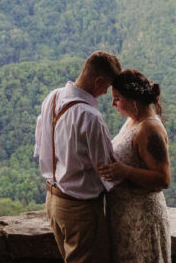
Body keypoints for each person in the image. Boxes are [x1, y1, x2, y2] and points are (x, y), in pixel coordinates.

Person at [36, 51, 122, 263]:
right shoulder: (90, 117)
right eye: (106, 87)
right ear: (98, 81)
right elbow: (106, 171)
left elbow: (40, 145)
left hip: (53, 199)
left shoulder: (52, 97)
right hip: (80, 209)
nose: (105, 93)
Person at [97, 69, 171, 263]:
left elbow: (163, 179)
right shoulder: (132, 121)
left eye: (117, 98)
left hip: (143, 219)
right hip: (125, 217)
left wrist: (124, 171)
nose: (113, 103)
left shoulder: (150, 129)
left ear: (134, 100)